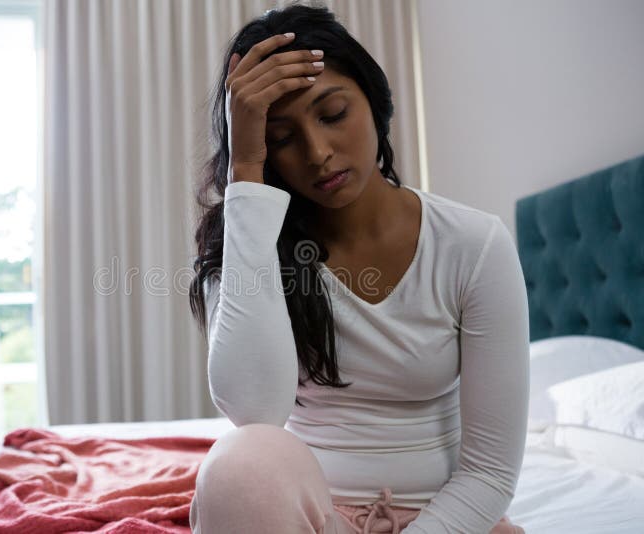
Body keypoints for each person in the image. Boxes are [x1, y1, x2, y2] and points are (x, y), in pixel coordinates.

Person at [188, 4, 529, 533]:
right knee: (238, 461)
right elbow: (255, 413)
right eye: (281, 139)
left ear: (375, 102)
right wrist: (246, 173)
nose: (319, 153)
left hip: (446, 522)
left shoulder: (473, 244)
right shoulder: (246, 240)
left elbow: (490, 472)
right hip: (313, 517)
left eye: (332, 114)